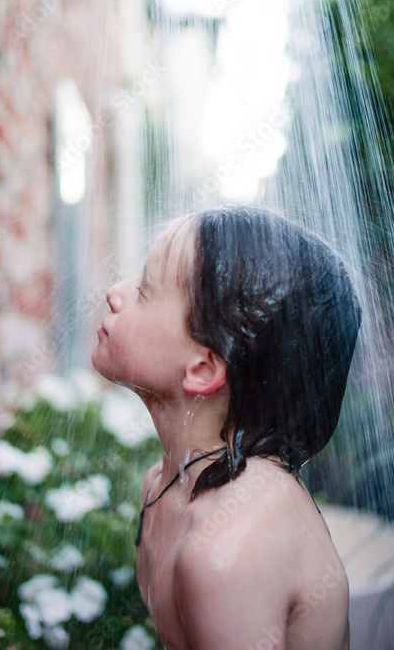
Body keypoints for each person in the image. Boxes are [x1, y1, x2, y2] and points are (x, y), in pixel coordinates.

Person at [91, 205, 362, 650]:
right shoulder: (159, 490)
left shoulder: (226, 551)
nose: (113, 293)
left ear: (202, 368)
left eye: (144, 290)